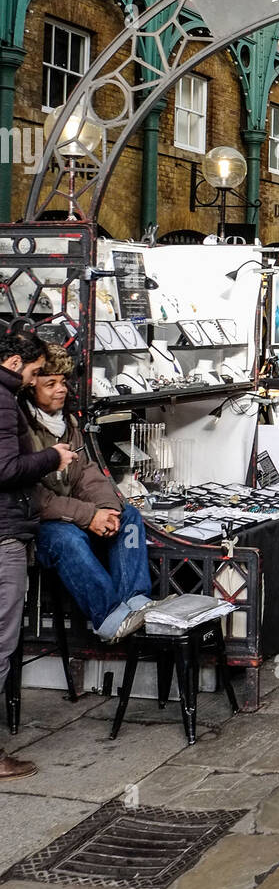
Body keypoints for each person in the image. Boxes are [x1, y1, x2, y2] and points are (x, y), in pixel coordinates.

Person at [21, 347, 155, 643]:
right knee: (67, 538)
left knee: (128, 514)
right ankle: (108, 617)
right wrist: (89, 515)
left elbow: (85, 474)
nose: (61, 390)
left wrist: (106, 509)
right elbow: (35, 497)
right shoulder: (22, 428)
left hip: (70, 513)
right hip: (35, 526)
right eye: (50, 384)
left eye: (63, 382)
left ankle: (134, 602)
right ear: (31, 386)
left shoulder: (67, 424)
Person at [0, 330, 74, 780]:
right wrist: (51, 457)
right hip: (4, 531)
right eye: (32, 372)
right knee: (2, 642)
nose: (34, 380)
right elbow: (6, 469)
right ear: (14, 363)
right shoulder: (5, 401)